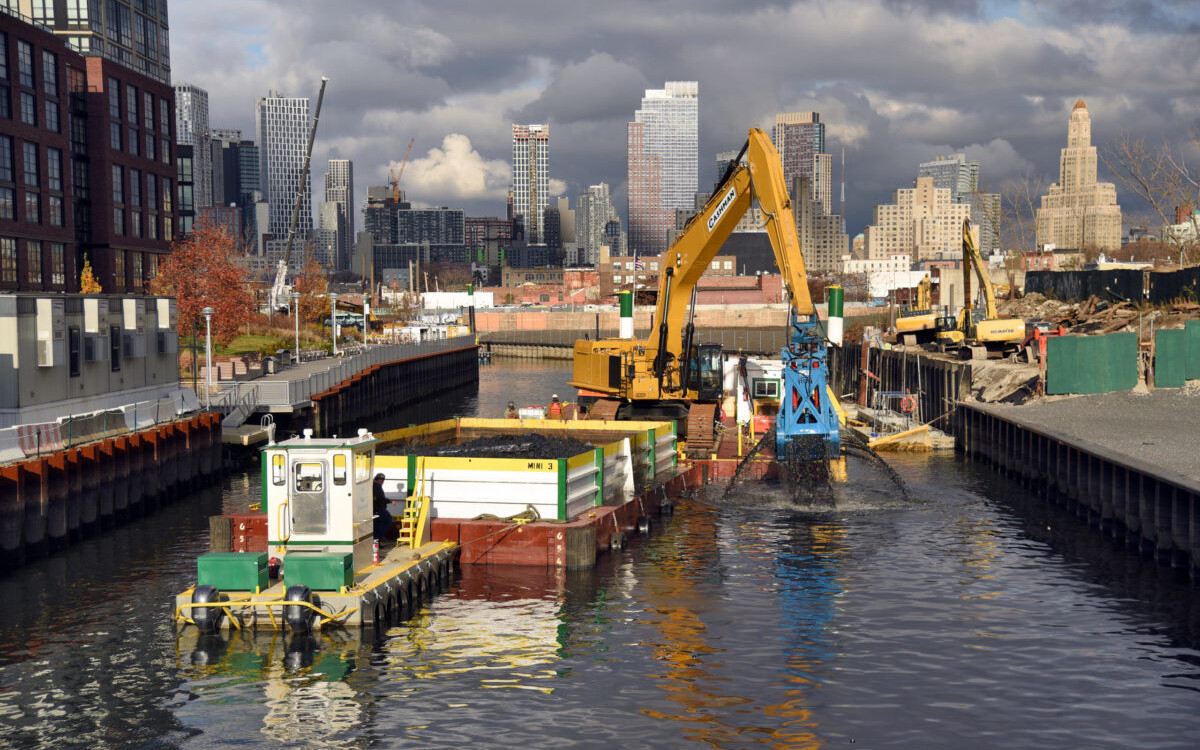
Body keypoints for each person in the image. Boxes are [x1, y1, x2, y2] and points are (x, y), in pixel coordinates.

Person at [372, 473, 393, 540]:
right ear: (377, 479)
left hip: (374, 510)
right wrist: (390, 501)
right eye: (381, 479)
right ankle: (378, 537)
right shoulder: (377, 486)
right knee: (388, 519)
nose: (382, 481)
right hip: (378, 509)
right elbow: (381, 499)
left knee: (376, 524)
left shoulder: (373, 485)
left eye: (383, 480)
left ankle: (377, 540)